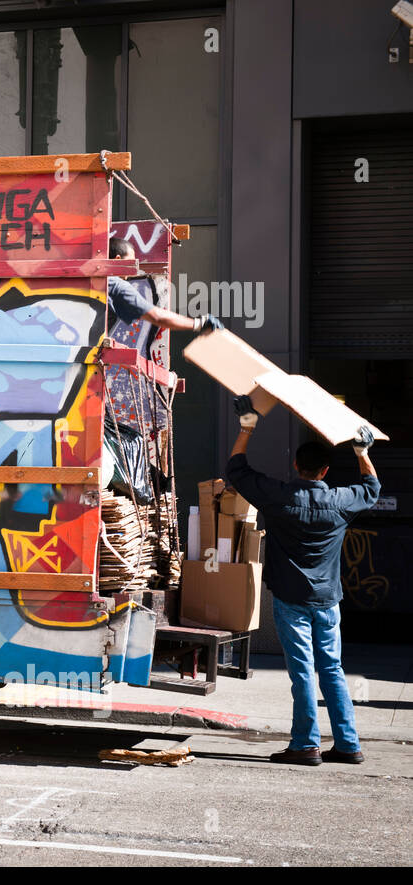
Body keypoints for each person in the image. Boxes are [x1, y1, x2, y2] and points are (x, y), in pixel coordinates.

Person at [225, 396, 380, 766]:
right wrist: (361, 452)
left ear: (296, 466)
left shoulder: (280, 497)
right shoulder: (341, 501)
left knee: (302, 671)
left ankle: (306, 744)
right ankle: (347, 744)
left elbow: (236, 470)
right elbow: (372, 490)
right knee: (332, 668)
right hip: (328, 599)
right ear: (325, 471)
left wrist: (247, 426)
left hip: (291, 598)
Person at [105, 237, 222, 433]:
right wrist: (199, 323)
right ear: (118, 260)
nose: (133, 272)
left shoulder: (91, 282)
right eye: (131, 263)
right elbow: (157, 316)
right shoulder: (115, 283)